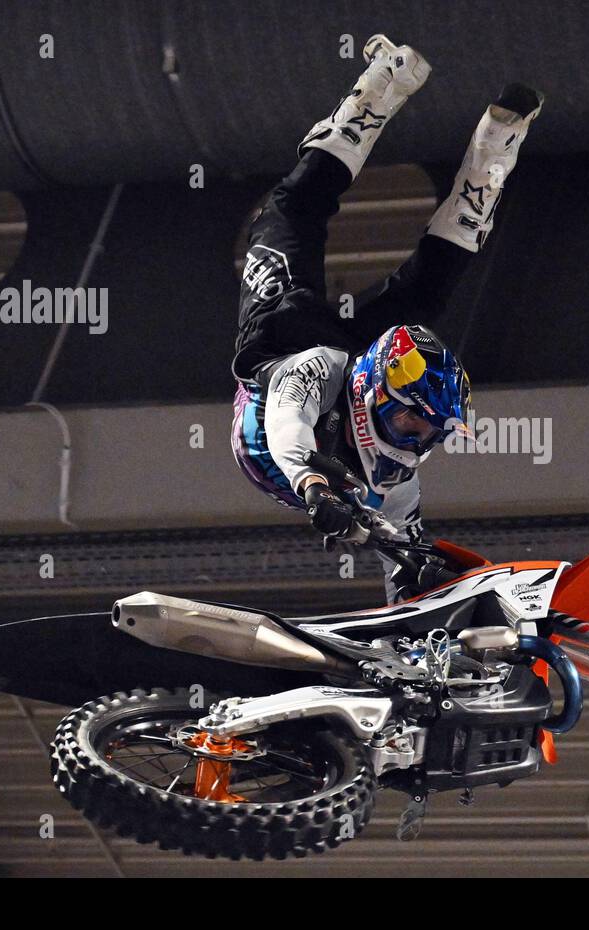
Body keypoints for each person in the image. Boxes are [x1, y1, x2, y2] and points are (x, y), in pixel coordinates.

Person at [229, 34, 542, 600]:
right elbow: (408, 568)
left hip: (280, 344)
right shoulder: (396, 480)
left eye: (420, 431)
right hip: (337, 376)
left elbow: (287, 428)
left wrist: (315, 488)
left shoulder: (325, 383)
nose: (414, 444)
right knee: (432, 284)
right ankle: (495, 152)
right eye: (420, 430)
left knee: (290, 213)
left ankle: (375, 91)